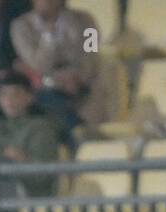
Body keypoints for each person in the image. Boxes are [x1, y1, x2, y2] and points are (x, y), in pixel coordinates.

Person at [9, 0, 107, 132]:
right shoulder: (20, 27)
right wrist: (48, 36)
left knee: (98, 93)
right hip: (47, 87)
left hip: (83, 83)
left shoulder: (86, 20)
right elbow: (37, 64)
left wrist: (78, 77)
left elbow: (92, 53)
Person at [0, 69, 63, 197]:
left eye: (16, 94)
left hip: (30, 195)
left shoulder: (40, 128)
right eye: (4, 94)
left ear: (29, 97)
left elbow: (44, 176)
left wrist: (23, 161)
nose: (9, 100)